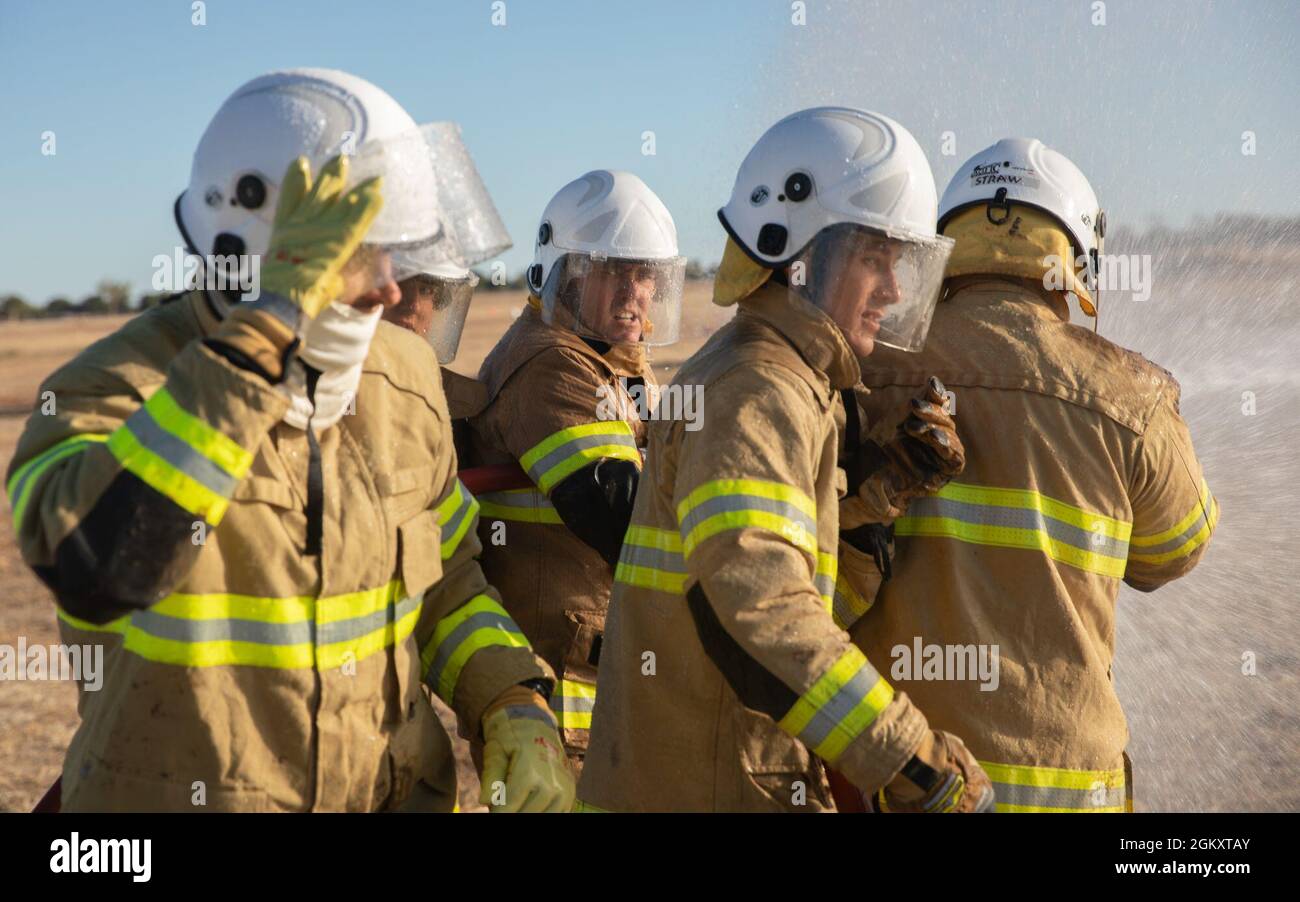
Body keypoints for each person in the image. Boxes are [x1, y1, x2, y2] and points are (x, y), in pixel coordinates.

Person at [5, 69, 572, 813]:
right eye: (361, 254)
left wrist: (512, 698)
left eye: (400, 256)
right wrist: (260, 344)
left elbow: (447, 585)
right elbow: (97, 567)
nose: (394, 291)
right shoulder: (107, 392)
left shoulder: (403, 379)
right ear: (262, 247)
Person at [577, 107, 993, 812]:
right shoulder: (759, 388)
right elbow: (757, 604)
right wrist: (913, 762)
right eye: (874, 257)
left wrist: (874, 502)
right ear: (802, 251)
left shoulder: (793, 380)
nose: (894, 289)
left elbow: (798, 591)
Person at [846, 138, 1218, 811]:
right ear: (1074, 259)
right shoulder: (1131, 394)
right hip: (1067, 788)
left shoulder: (862, 370)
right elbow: (1174, 553)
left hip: (899, 777)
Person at [465, 170, 683, 772]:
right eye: (613, 271)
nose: (634, 292)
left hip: (605, 685)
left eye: (645, 275)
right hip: (559, 704)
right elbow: (619, 510)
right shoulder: (549, 365)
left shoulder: (617, 364)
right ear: (564, 274)